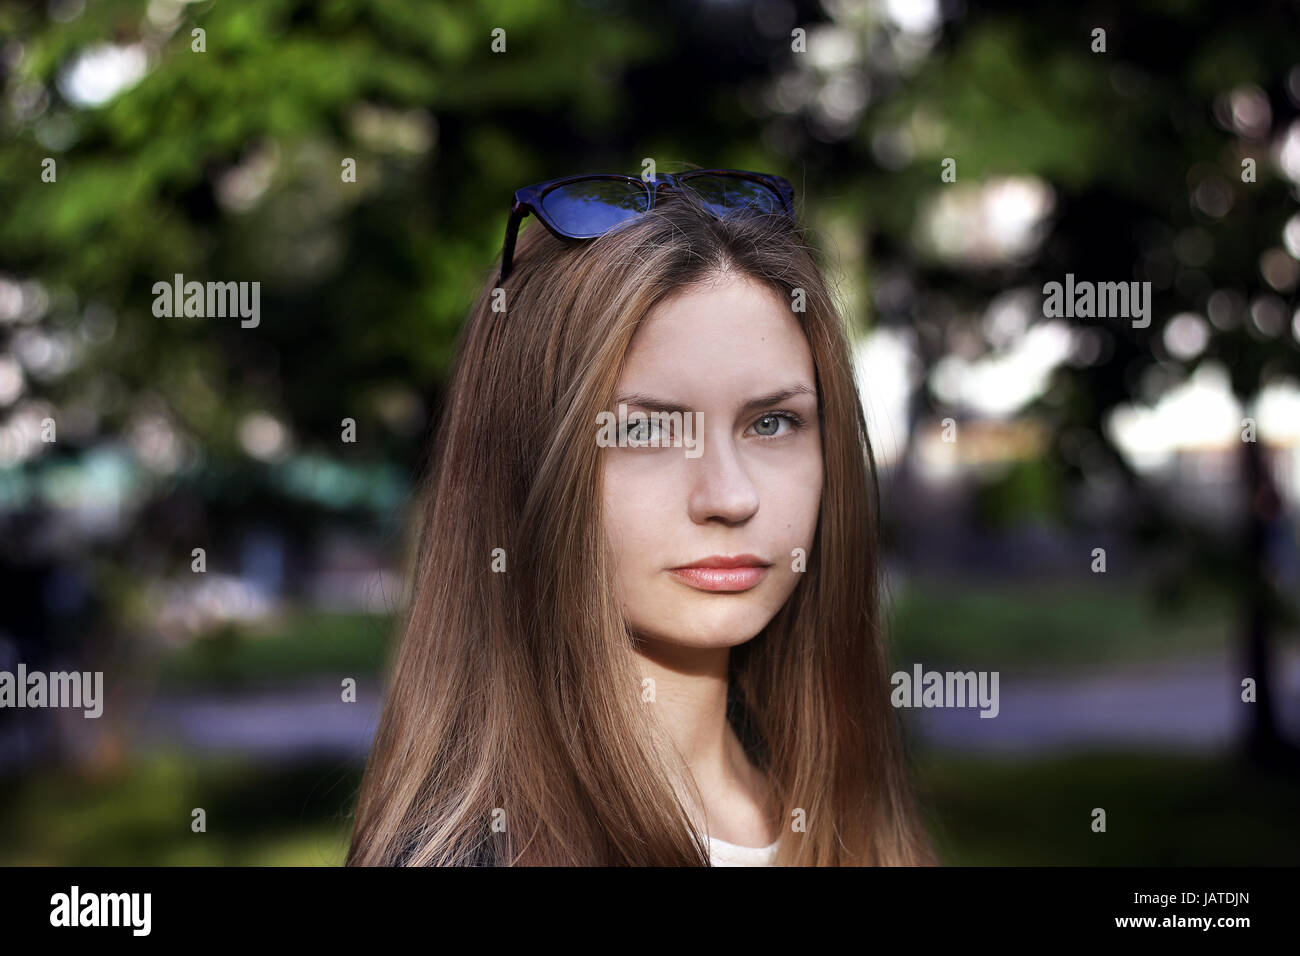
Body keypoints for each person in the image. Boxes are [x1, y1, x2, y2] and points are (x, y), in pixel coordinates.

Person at [346, 168, 936, 866]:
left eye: (773, 422)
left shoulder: (852, 827)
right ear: (525, 466)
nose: (729, 495)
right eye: (647, 431)